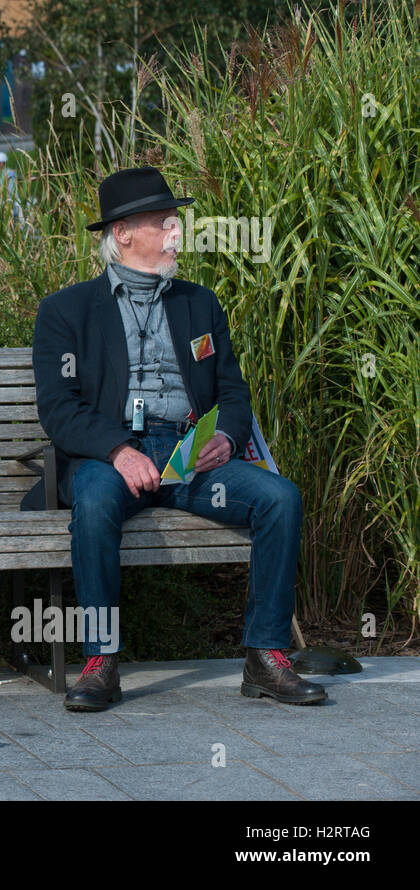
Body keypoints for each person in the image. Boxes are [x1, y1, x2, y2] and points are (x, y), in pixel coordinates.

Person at [27, 166, 325, 712]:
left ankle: (266, 657)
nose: (176, 233)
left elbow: (233, 393)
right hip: (110, 455)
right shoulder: (66, 311)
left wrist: (229, 439)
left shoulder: (198, 303)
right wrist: (118, 450)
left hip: (190, 459)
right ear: (122, 233)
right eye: (164, 222)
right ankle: (101, 660)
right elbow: (59, 410)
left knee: (280, 498)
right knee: (93, 504)